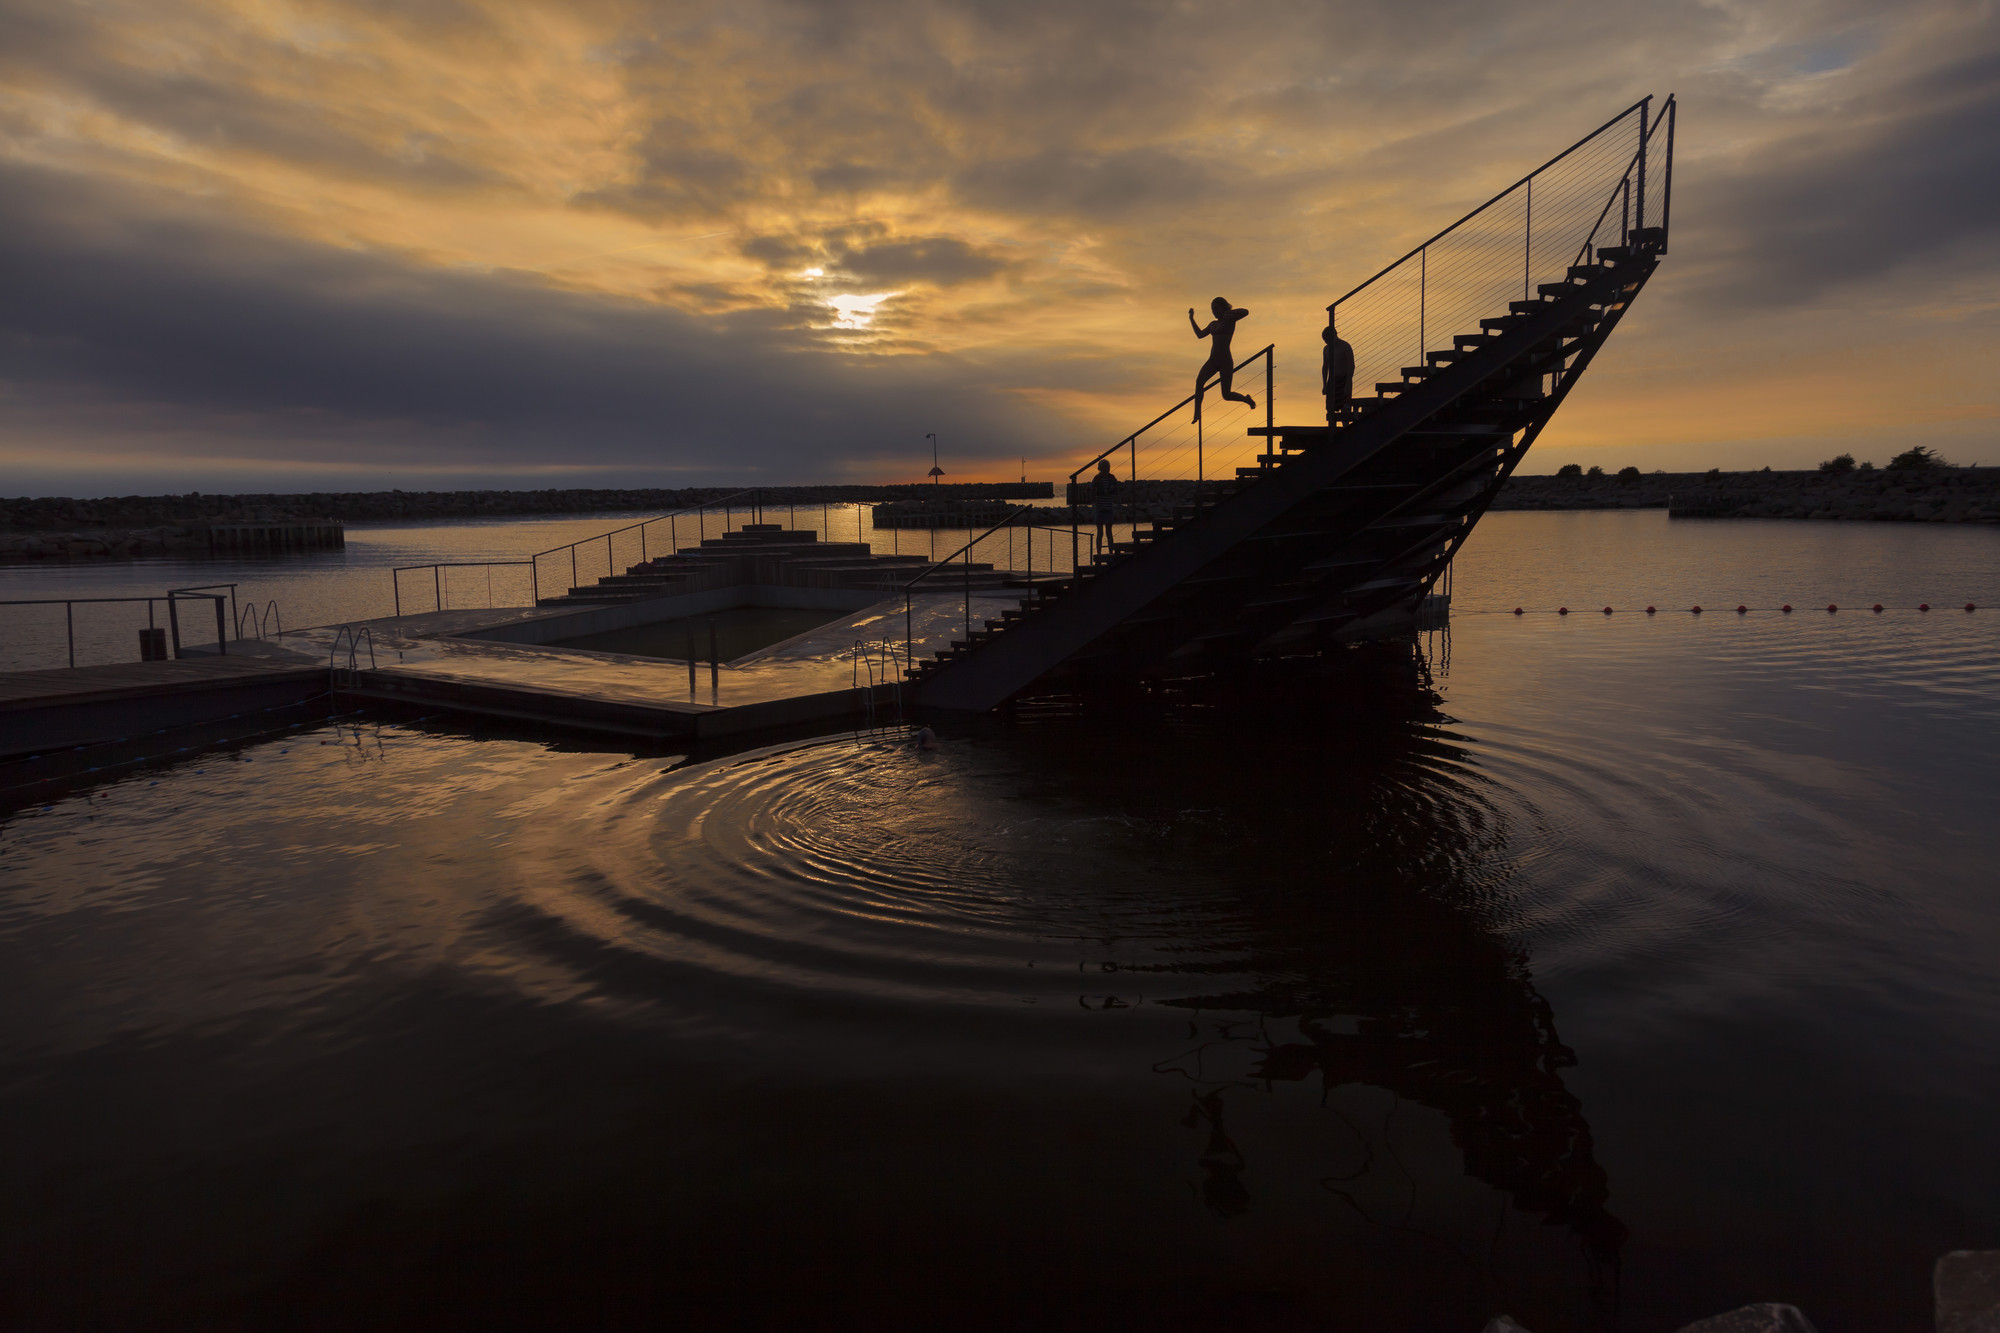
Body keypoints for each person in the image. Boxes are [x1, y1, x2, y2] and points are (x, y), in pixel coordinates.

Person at [1189, 297, 1255, 421]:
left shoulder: (1229, 319)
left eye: (1216, 309)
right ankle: (1197, 412)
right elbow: (1200, 335)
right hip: (1213, 361)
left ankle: (1246, 399)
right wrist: (1191, 319)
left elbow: (1245, 311)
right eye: (1212, 309)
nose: (1214, 312)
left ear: (1223, 308)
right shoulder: (1213, 324)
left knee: (1226, 395)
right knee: (1199, 382)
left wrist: (1228, 312)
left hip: (1225, 361)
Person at [1322, 312, 1355, 425]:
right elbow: (1325, 367)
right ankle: (1332, 428)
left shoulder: (1345, 346)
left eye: (1326, 339)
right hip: (1332, 380)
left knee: (1345, 408)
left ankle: (1346, 427)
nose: (1325, 341)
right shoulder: (1326, 349)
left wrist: (1348, 383)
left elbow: (1351, 365)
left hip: (1344, 378)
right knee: (1330, 408)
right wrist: (1324, 384)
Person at [1089, 458, 1119, 548]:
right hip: (1099, 508)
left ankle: (1110, 551)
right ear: (1100, 468)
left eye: (1107, 467)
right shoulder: (1097, 478)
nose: (1107, 469)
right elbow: (1092, 491)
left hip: (1108, 507)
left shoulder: (1112, 478)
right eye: (1105, 467)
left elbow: (1116, 491)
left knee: (1109, 532)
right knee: (1100, 532)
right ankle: (1099, 552)